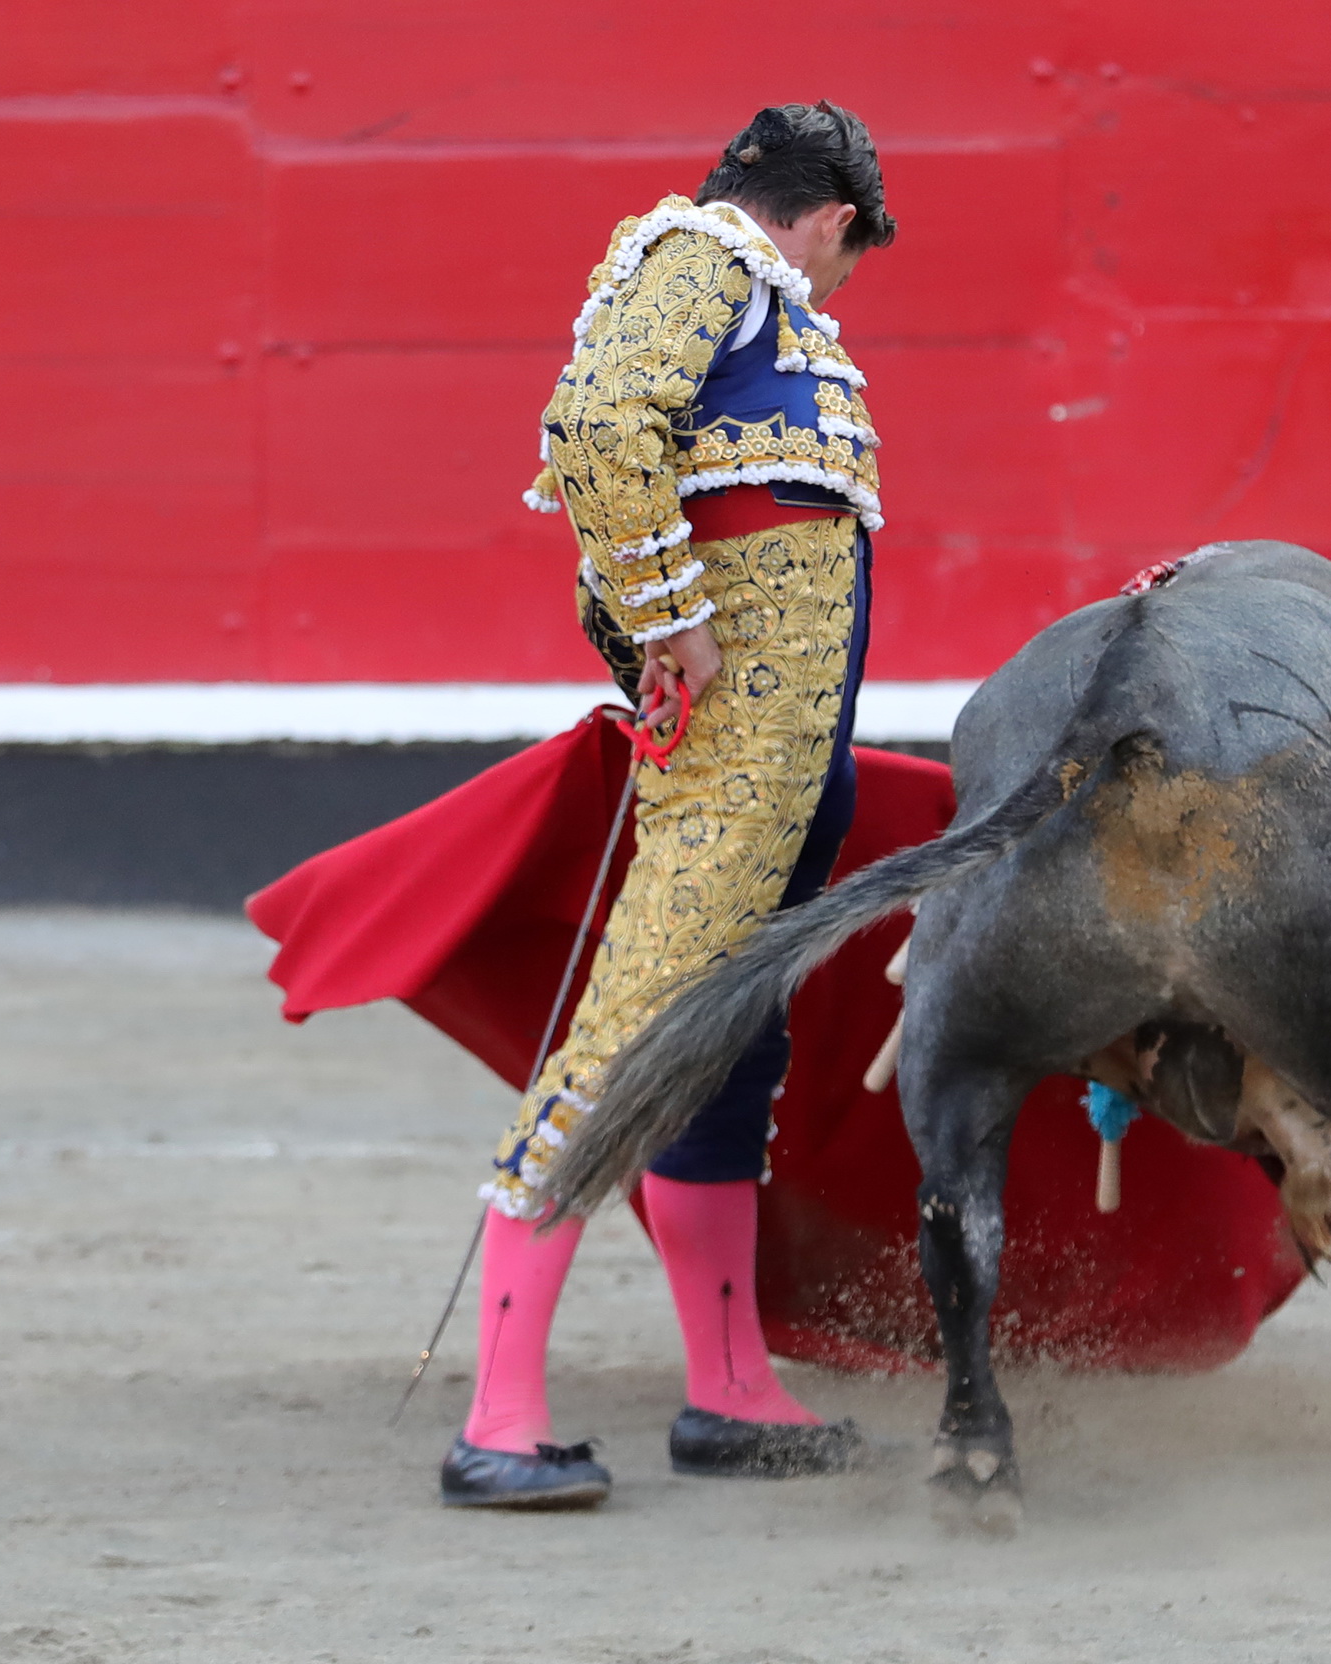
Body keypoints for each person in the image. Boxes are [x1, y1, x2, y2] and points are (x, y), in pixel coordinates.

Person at [440, 101, 897, 1509]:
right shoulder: (702, 259)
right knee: (635, 1031)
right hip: (737, 763)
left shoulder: (760, 311)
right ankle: (500, 1422)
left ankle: (731, 1389)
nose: (840, 283)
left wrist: (659, 618)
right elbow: (593, 426)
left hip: (790, 768)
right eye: (850, 257)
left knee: (722, 1058)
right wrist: (663, 617)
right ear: (831, 219)